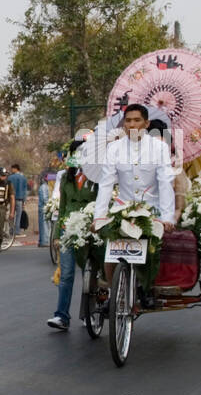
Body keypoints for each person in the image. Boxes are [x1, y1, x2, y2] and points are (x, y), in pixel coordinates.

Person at [89, 104, 176, 300]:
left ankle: (147, 287)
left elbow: (165, 184)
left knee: (153, 245)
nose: (132, 124)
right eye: (128, 121)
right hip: (123, 208)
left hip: (151, 209)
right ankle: (114, 292)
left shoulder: (159, 147)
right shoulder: (114, 148)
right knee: (111, 246)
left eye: (137, 120)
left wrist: (167, 218)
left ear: (146, 123)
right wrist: (99, 217)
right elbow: (106, 184)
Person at [46, 145, 98, 331]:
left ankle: (89, 315)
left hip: (91, 228)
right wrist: (58, 234)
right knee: (66, 273)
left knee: (90, 274)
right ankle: (61, 316)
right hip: (68, 228)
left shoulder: (97, 177)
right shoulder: (66, 178)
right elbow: (62, 207)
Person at [8, 163, 29, 236]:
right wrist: (24, 201)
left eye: (12, 168)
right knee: (18, 216)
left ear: (15, 169)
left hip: (11, 199)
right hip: (20, 199)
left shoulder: (10, 178)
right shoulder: (23, 178)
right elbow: (25, 190)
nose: (11, 170)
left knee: (11, 215)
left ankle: (11, 231)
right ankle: (17, 232)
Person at [37, 171, 52, 247]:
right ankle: (44, 242)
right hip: (44, 208)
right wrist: (50, 205)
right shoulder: (44, 187)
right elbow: (45, 199)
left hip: (43, 208)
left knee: (43, 225)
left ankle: (42, 241)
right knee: (44, 226)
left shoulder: (46, 186)